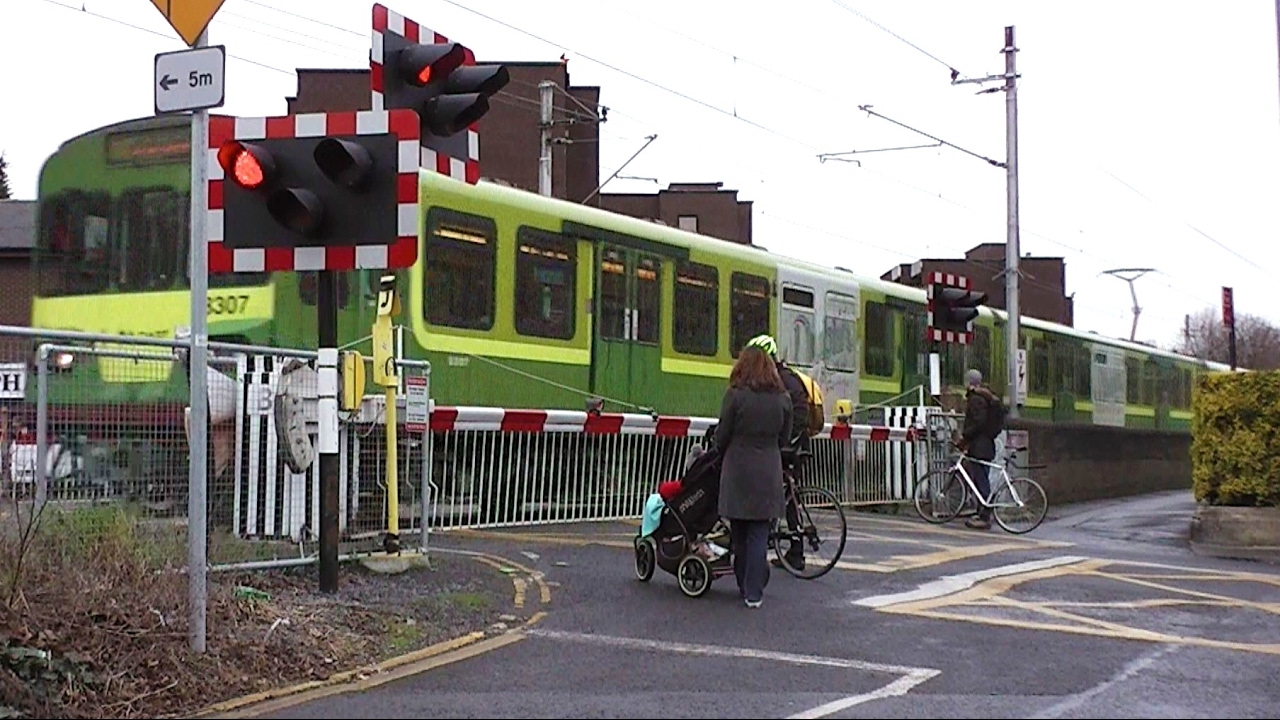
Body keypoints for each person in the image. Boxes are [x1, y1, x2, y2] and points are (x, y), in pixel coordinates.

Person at [713, 344, 793, 608]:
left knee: (739, 531)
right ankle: (754, 592)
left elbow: (722, 435)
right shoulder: (783, 399)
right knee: (760, 531)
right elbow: (784, 437)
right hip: (768, 469)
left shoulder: (734, 395)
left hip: (737, 469)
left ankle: (742, 581)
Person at [743, 334, 812, 571]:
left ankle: (793, 549)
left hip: (791, 447)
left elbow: (798, 413)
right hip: (794, 445)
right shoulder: (786, 378)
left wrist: (785, 442)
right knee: (788, 496)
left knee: (784, 496)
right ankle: (794, 550)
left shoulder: (783, 381)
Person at [958, 368, 1004, 530]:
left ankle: (984, 515)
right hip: (986, 445)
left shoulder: (976, 399)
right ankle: (981, 512)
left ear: (969, 383)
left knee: (981, 481)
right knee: (980, 478)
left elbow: (978, 422)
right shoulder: (986, 397)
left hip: (979, 446)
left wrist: (965, 436)